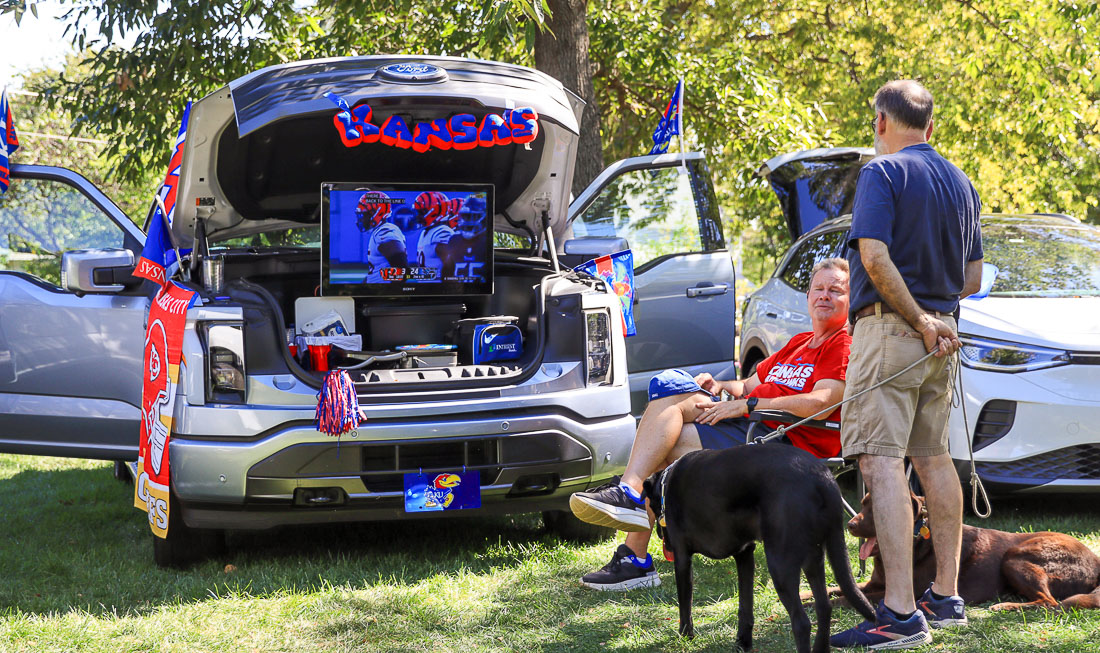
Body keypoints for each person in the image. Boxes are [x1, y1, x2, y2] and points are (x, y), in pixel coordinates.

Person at [569, 258, 852, 591]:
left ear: (850, 299)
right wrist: (720, 388)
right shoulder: (798, 344)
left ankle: (633, 533)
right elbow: (746, 384)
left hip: (783, 444)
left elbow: (822, 404)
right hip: (752, 429)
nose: (824, 295)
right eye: (818, 288)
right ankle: (631, 511)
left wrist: (747, 405)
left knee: (666, 438)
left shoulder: (841, 346)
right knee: (669, 404)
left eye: (835, 290)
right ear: (807, 296)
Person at [829, 80, 983, 650]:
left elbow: (871, 254)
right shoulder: (963, 184)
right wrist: (935, 320)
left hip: (895, 331)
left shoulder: (881, 173)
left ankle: (897, 611)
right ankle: (945, 596)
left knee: (882, 462)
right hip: (945, 337)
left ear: (879, 122)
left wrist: (918, 320)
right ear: (931, 127)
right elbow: (971, 280)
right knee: (935, 459)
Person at [357, 190, 407, 283]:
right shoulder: (379, 231)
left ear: (375, 213)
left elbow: (401, 269)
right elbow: (375, 272)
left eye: (364, 214)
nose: (361, 219)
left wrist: (391, 294)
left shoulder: (385, 232)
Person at [413, 191, 457, 280]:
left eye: (421, 212)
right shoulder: (426, 232)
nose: (417, 216)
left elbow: (451, 266)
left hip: (437, 289)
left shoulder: (442, 232)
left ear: (435, 211)